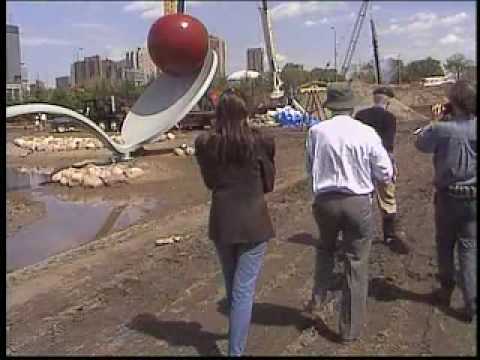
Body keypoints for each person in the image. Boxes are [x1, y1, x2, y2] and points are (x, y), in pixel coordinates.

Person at [305, 82, 394, 343]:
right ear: (352, 104)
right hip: (358, 201)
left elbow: (310, 169)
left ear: (330, 106)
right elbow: (385, 172)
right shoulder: (366, 132)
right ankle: (349, 330)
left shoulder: (316, 131)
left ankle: (318, 298)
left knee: (325, 249)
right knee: (355, 262)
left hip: (325, 201)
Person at [195, 88, 276, 356]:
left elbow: (209, 182)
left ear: (218, 113)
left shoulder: (205, 143)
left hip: (222, 221)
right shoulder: (261, 141)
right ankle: (236, 352)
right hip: (254, 222)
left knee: (233, 286)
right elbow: (269, 183)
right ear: (246, 112)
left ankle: (235, 340)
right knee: (243, 290)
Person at [415, 80, 476, 323]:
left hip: (448, 197)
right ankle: (471, 302)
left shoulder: (442, 130)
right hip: (474, 197)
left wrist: (435, 120)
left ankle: (446, 291)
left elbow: (420, 143)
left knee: (445, 245)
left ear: (454, 103)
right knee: (470, 249)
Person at [355, 87, 410, 254]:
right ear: (387, 101)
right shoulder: (389, 118)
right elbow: (388, 144)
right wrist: (392, 165)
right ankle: (389, 235)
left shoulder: (360, 116)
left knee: (364, 199)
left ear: (374, 99)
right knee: (387, 199)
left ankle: (360, 236)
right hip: (381, 162)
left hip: (362, 163)